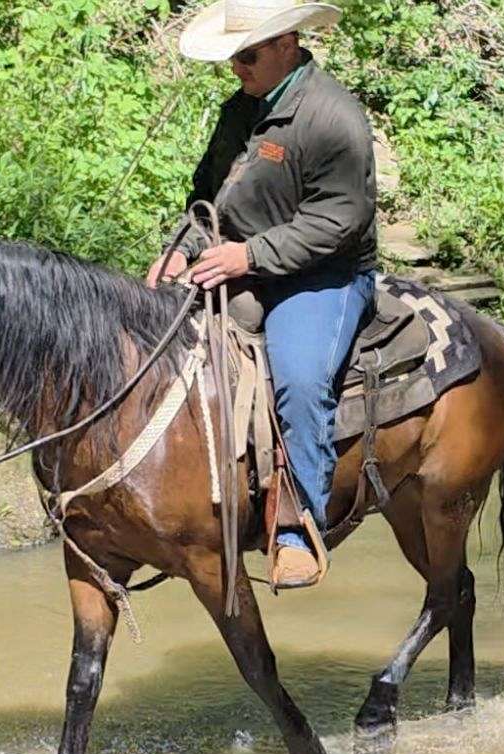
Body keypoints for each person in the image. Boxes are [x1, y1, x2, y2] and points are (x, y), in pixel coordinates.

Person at [146, 0, 378, 589]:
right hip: (240, 262)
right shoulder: (242, 109)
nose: (237, 68)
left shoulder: (333, 117)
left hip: (323, 276)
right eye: (233, 57)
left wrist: (248, 256)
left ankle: (298, 527)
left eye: (247, 55)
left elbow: (341, 218)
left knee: (299, 379)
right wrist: (184, 249)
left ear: (287, 44)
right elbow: (208, 197)